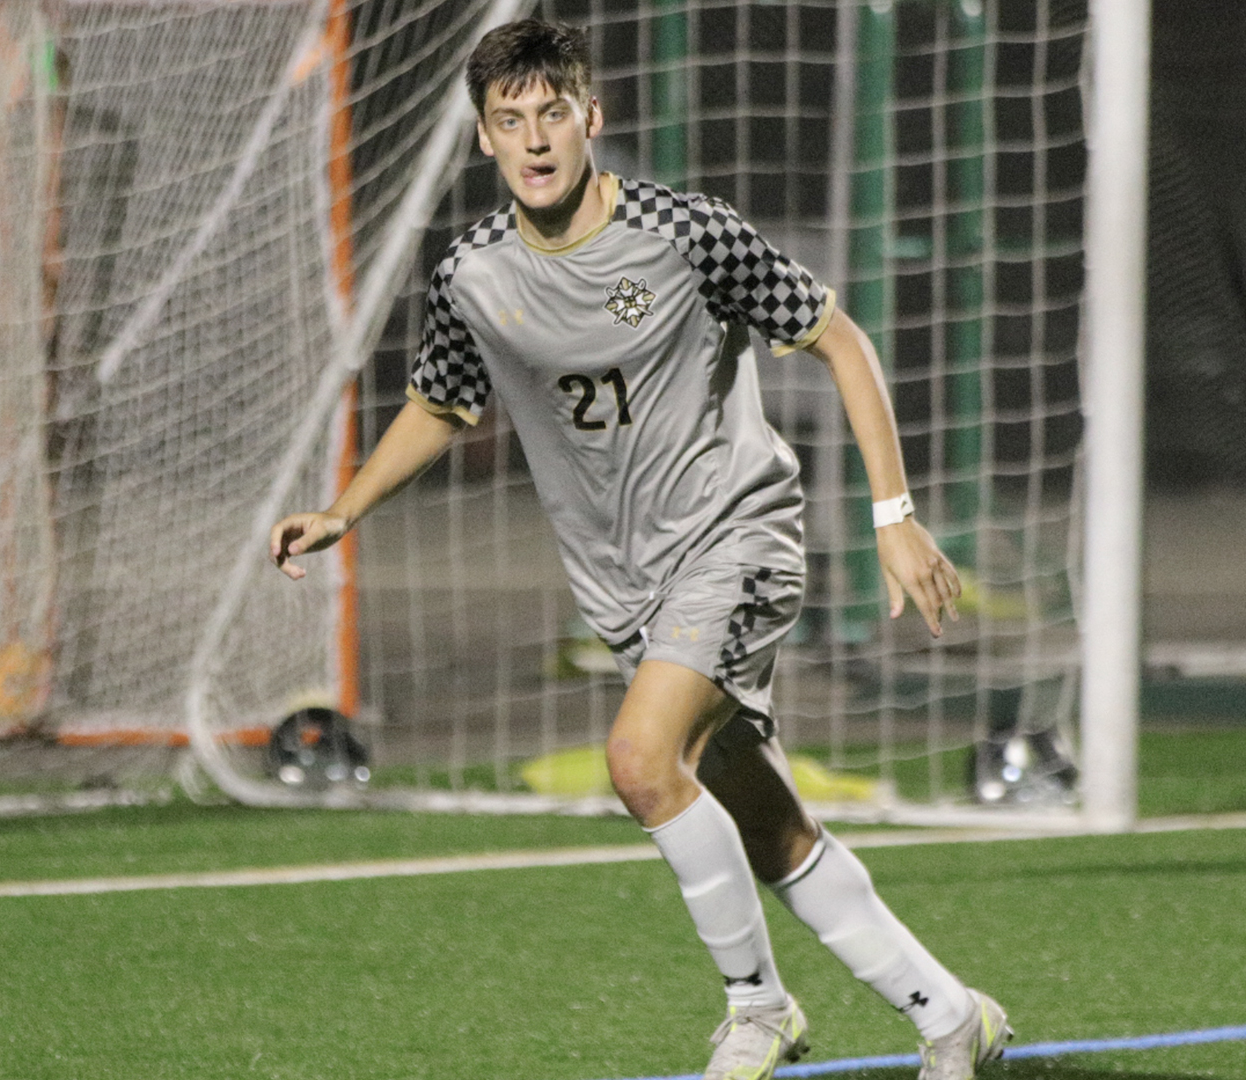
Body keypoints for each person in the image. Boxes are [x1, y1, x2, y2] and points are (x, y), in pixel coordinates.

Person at [270, 20, 1011, 1080]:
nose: (534, 141)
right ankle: (953, 1018)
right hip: (623, 588)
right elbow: (442, 404)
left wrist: (894, 519)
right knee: (770, 825)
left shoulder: (686, 232)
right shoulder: (472, 275)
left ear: (591, 118)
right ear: (485, 138)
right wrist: (346, 509)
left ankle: (759, 1009)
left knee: (637, 761)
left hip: (739, 537)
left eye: (552, 115)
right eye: (510, 121)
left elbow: (841, 339)